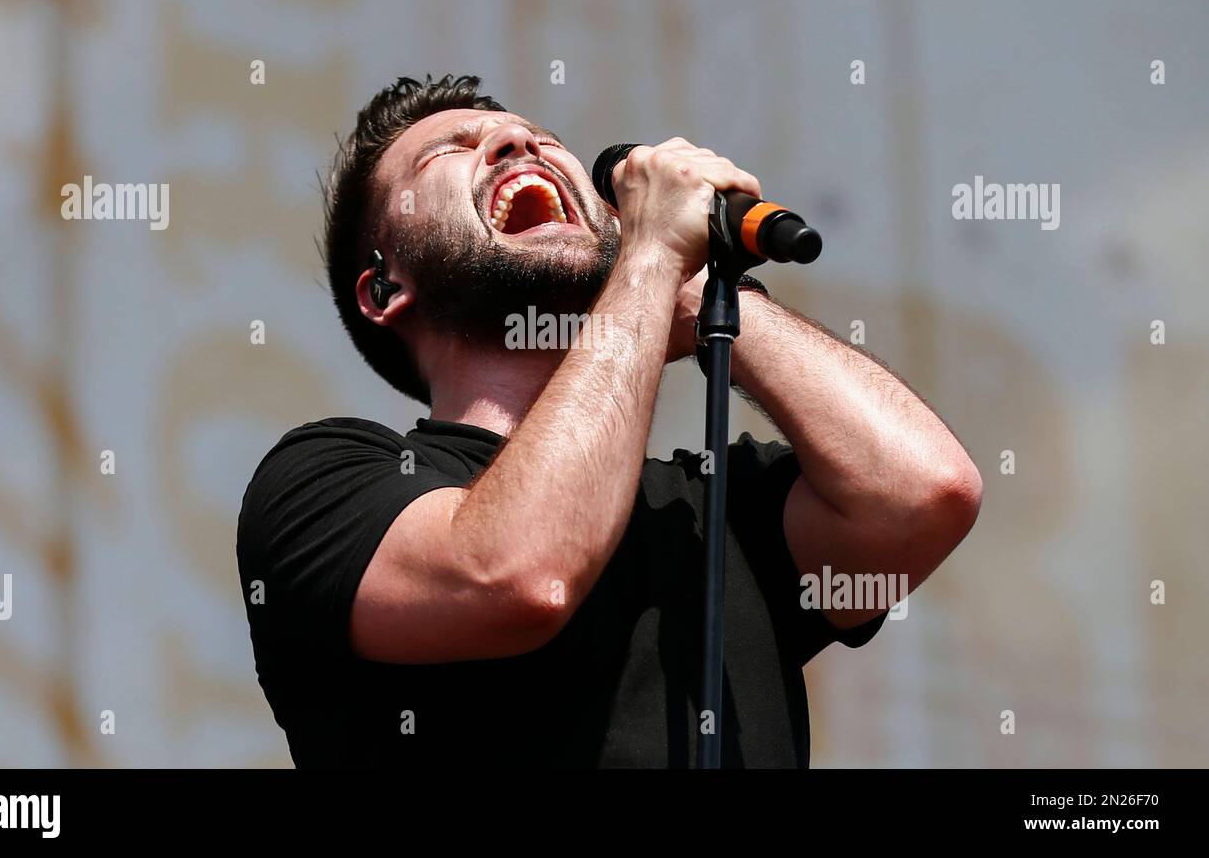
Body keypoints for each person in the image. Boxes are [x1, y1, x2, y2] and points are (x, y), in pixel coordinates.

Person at [236, 74, 982, 767]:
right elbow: (521, 576)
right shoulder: (321, 483)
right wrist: (650, 261)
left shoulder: (715, 512)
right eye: (449, 151)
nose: (517, 143)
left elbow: (925, 494)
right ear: (384, 288)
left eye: (539, 136)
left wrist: (699, 288)